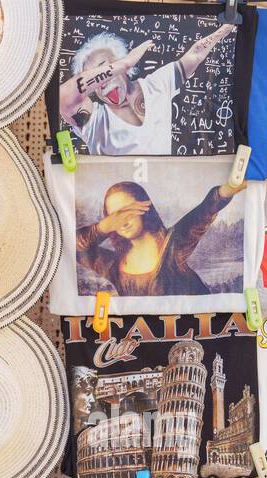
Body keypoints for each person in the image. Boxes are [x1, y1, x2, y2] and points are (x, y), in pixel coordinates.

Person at [59, 24, 236, 155]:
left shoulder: (156, 85)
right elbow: (64, 96)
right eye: (97, 77)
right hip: (119, 202)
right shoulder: (94, 121)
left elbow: (195, 54)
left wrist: (224, 29)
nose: (102, 83)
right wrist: (124, 63)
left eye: (105, 68)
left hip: (167, 192)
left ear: (122, 66)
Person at [76, 178, 245, 297]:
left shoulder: (172, 244)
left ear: (145, 207)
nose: (122, 221)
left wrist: (228, 188)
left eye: (129, 211)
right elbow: (71, 246)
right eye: (114, 216)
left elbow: (206, 209)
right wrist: (103, 227)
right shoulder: (113, 265)